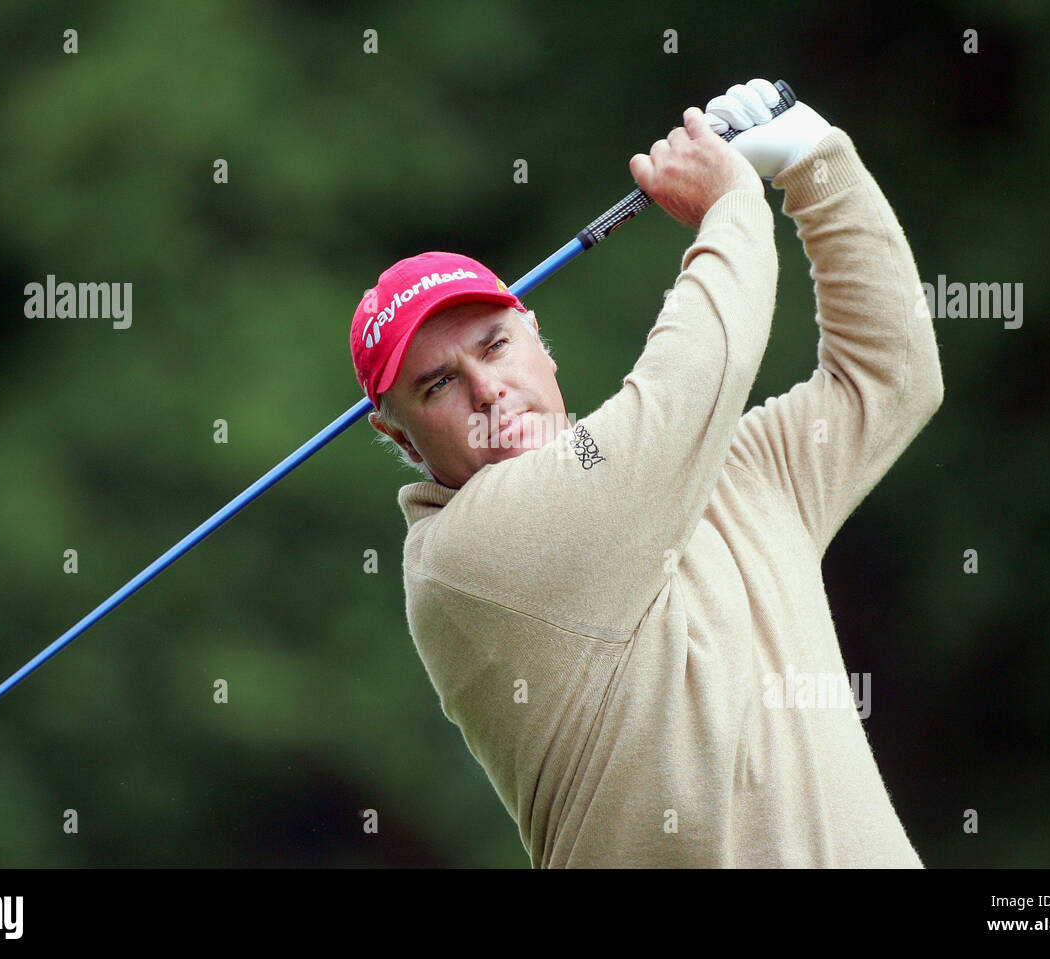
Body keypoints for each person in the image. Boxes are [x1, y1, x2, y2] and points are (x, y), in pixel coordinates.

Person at [348, 79, 943, 867]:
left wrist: (815, 162)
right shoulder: (461, 560)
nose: (486, 388)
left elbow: (890, 376)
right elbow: (686, 385)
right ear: (401, 436)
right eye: (437, 384)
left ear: (535, 334)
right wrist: (734, 204)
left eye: (493, 345)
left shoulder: (725, 472)